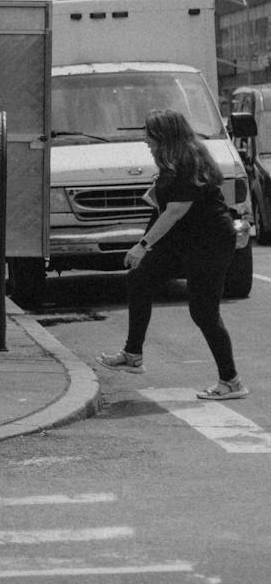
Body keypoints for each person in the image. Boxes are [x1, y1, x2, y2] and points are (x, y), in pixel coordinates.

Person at [99, 107, 248, 399]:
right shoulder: (173, 161)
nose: (145, 140)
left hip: (210, 242)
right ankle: (133, 354)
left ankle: (231, 382)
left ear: (164, 136)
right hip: (186, 239)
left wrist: (142, 246)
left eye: (149, 135)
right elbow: (161, 211)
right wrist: (144, 247)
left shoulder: (187, 163)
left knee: (204, 312)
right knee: (139, 277)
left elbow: (175, 211)